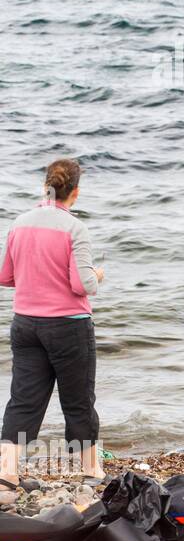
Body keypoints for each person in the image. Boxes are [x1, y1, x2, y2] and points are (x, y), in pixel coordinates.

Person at [0, 160, 106, 504]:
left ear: (45, 185)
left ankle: (6, 474)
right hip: (67, 326)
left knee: (23, 398)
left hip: (25, 324)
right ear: (75, 191)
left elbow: (6, 277)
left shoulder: (19, 223)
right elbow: (82, 284)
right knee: (77, 399)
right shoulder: (74, 228)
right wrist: (99, 275)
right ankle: (91, 472)